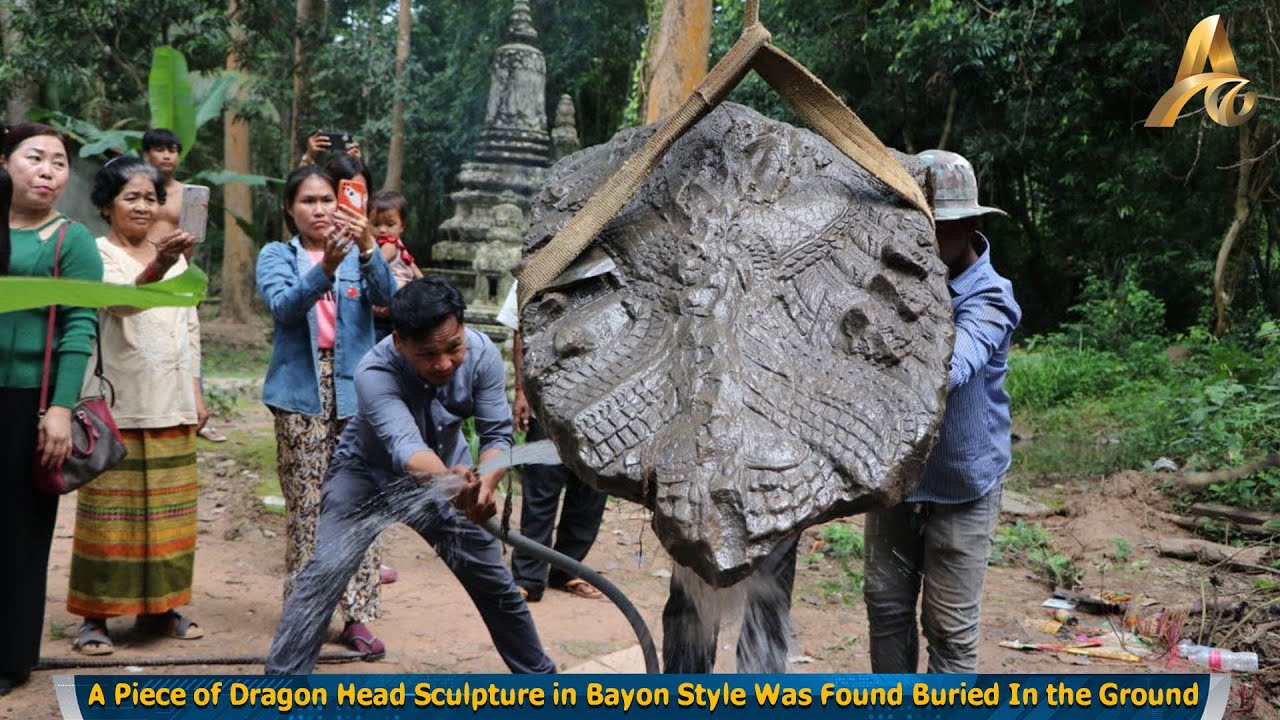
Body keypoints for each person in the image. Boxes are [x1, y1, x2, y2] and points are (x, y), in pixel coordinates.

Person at [264, 277, 556, 675]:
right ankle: (280, 689)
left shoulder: (483, 355)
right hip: (366, 477)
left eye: (453, 347)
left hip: (452, 478)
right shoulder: (374, 371)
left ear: (463, 329)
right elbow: (407, 449)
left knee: (493, 582)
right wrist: (453, 484)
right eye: (426, 354)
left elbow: (497, 434)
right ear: (399, 342)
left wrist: (484, 485)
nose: (443, 363)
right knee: (324, 574)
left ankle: (543, 684)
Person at [862, 149, 1021, 673]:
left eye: (938, 229)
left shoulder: (992, 298)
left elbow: (950, 370)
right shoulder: (893, 282)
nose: (925, 242)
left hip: (962, 486)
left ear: (971, 225)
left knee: (949, 633)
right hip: (898, 481)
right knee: (886, 610)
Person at [68, 156, 205, 655]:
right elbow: (122, 302)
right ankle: (95, 618)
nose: (145, 206)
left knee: (171, 517)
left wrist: (195, 390)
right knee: (110, 518)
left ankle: (161, 609)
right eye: (132, 197)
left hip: (172, 404)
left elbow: (189, 327)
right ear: (107, 206)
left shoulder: (178, 256)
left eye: (152, 197)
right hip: (117, 405)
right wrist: (160, 266)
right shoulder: (94, 253)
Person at [256, 165, 394, 658]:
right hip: (300, 398)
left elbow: (389, 302)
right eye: (308, 201)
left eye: (327, 201)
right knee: (308, 512)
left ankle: (357, 615)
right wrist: (325, 272)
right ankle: (305, 618)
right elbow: (284, 308)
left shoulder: (360, 253)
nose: (320, 210)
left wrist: (366, 249)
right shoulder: (277, 255)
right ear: (290, 209)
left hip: (359, 393)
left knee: (361, 506)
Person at [0, 123, 103, 694]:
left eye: (58, 163)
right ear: (4, 164)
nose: (47, 171)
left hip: (28, 404)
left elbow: (78, 327)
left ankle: (10, 657)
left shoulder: (72, 241)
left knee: (19, 532)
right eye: (34, 157)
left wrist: (60, 408)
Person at [495, 281, 607, 602]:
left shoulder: (615, 259)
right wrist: (521, 391)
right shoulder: (543, 263)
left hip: (601, 393)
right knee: (542, 483)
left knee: (592, 488)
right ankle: (529, 574)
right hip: (549, 390)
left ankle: (568, 569)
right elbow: (522, 329)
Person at [141, 127, 228, 442]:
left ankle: (195, 409)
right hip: (138, 274)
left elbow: (194, 237)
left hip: (177, 275)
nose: (167, 155)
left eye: (172, 149)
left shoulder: (188, 194)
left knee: (187, 340)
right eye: (159, 149)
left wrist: (177, 268)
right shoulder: (135, 189)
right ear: (146, 153)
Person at [370, 190, 422, 341]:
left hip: (396, 287)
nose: (382, 230)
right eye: (375, 224)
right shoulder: (394, 243)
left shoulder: (389, 246)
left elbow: (376, 265)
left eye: (389, 224)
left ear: (402, 226)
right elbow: (413, 268)